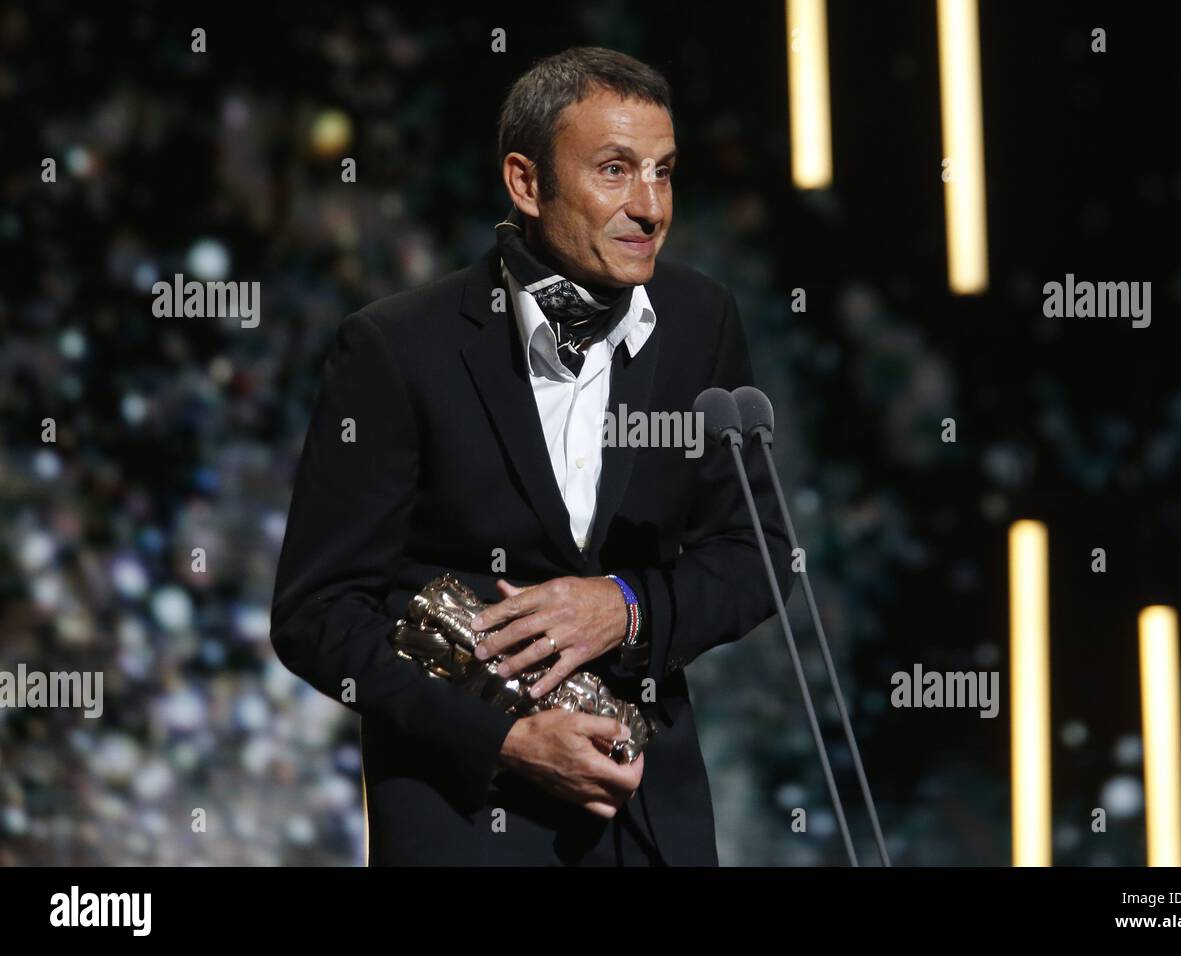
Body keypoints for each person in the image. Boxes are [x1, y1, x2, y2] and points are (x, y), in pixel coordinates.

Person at [270, 46, 792, 865]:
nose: (651, 206)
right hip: (466, 818)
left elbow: (760, 556)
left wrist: (625, 605)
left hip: (648, 819)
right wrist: (504, 739)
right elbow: (318, 615)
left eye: (664, 172)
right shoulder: (398, 348)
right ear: (526, 181)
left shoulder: (701, 321)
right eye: (616, 170)